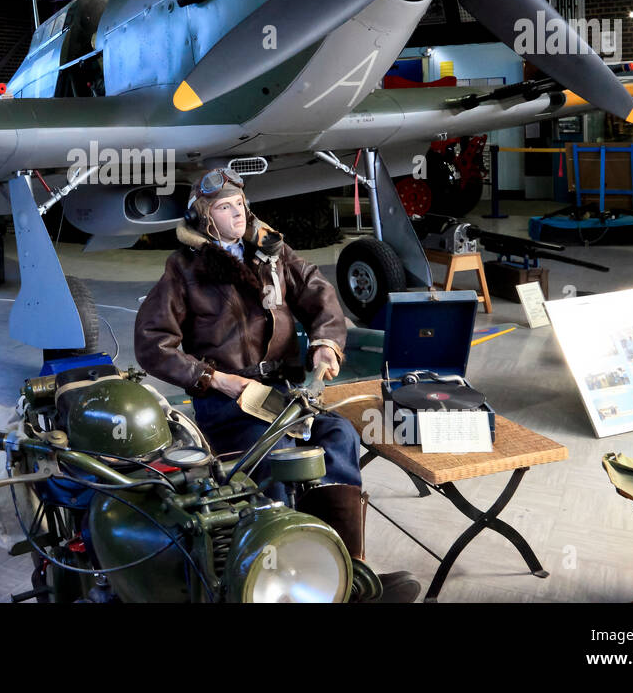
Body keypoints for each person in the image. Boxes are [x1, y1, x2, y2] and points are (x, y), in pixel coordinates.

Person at [134, 166, 419, 602]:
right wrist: (213, 378)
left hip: (285, 393)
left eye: (241, 206)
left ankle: (347, 569)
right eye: (225, 208)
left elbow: (318, 291)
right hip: (227, 402)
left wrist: (326, 343)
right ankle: (280, 577)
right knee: (275, 454)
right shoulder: (184, 268)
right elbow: (153, 344)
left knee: (338, 435)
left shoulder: (272, 253)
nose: (238, 215)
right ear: (205, 217)